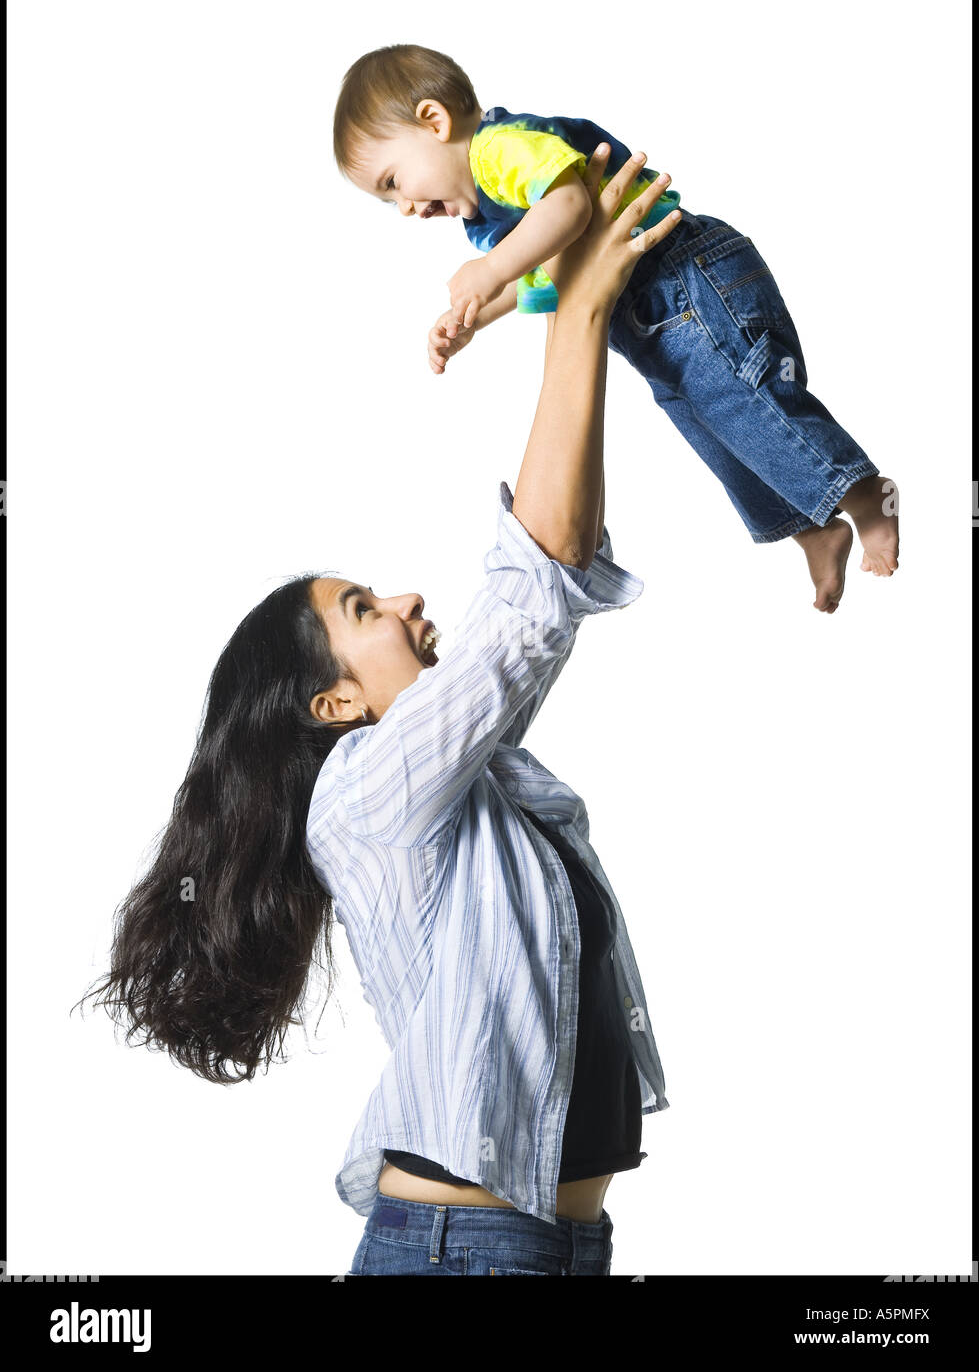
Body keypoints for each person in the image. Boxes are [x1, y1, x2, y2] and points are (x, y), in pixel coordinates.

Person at [75, 144, 674, 1279]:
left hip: (538, 1246)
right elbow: (527, 602)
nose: (403, 597)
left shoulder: (463, 787)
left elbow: (547, 579)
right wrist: (577, 312)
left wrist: (571, 303)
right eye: (363, 607)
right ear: (335, 698)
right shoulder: (364, 791)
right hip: (469, 1250)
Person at [333, 43, 900, 615]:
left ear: (433, 121)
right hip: (651, 321)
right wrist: (477, 314)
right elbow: (543, 271)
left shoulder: (499, 150)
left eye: (393, 181)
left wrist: (490, 269)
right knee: (717, 432)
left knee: (747, 404)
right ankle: (811, 528)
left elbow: (570, 206)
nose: (404, 207)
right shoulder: (487, 211)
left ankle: (867, 497)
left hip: (687, 277)